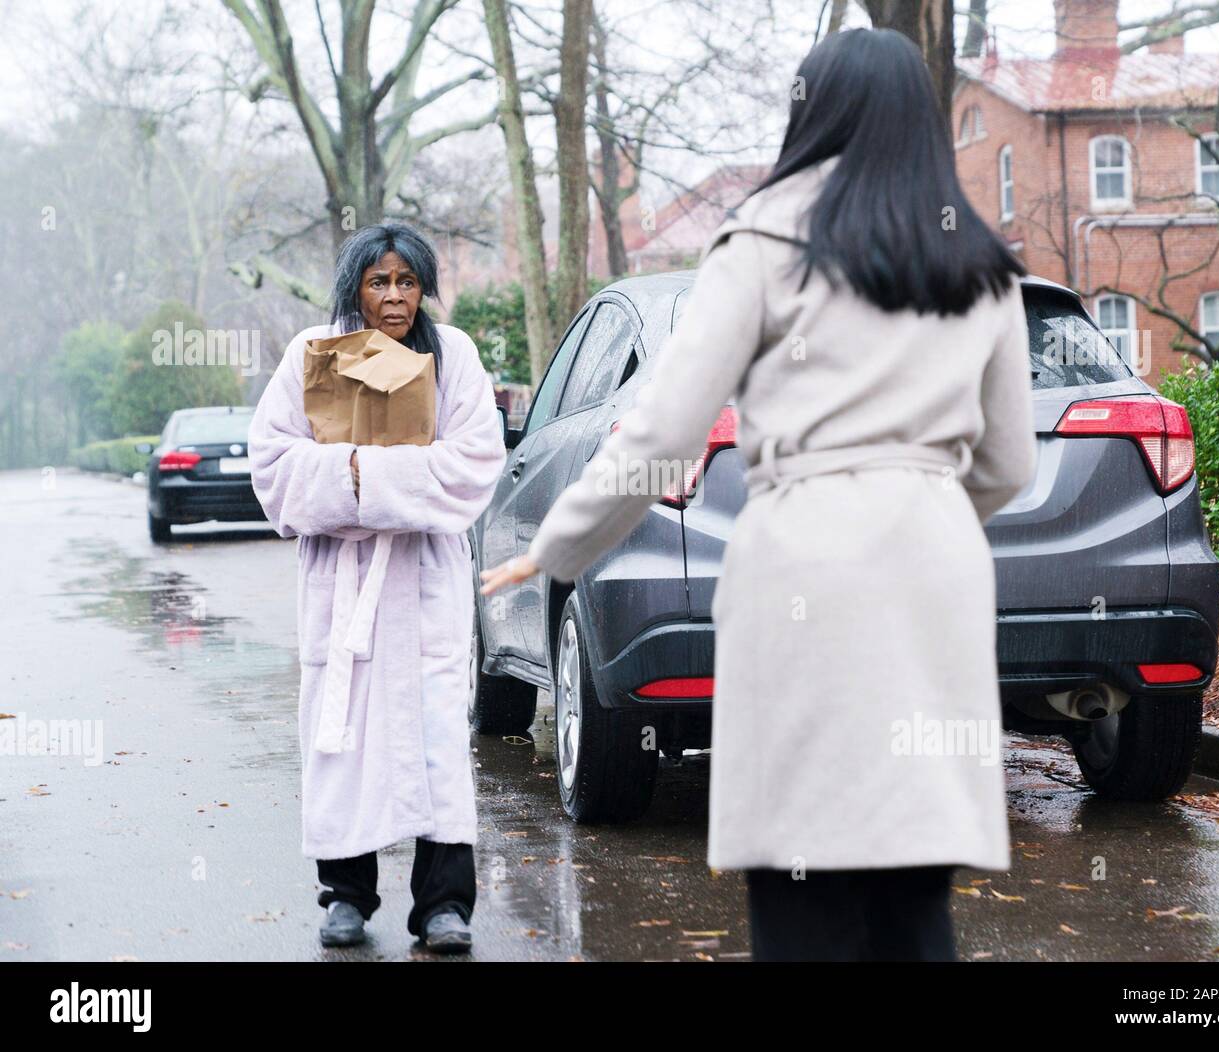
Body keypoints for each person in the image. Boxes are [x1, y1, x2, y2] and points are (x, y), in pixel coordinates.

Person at [479, 28, 1036, 962]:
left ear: (807, 111)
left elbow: (662, 430)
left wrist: (560, 545)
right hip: (935, 567)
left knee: (804, 874)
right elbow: (1009, 462)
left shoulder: (765, 239)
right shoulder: (977, 262)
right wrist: (923, 514)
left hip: (803, 559)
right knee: (913, 884)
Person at [249, 223, 506, 952]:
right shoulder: (311, 353)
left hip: (423, 576)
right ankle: (346, 896)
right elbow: (271, 462)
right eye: (378, 282)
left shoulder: (451, 354)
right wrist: (350, 479)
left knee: (436, 740)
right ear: (354, 287)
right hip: (344, 582)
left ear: (423, 288)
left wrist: (370, 477)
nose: (394, 297)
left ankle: (444, 906)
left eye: (407, 282)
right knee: (342, 735)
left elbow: (476, 459)